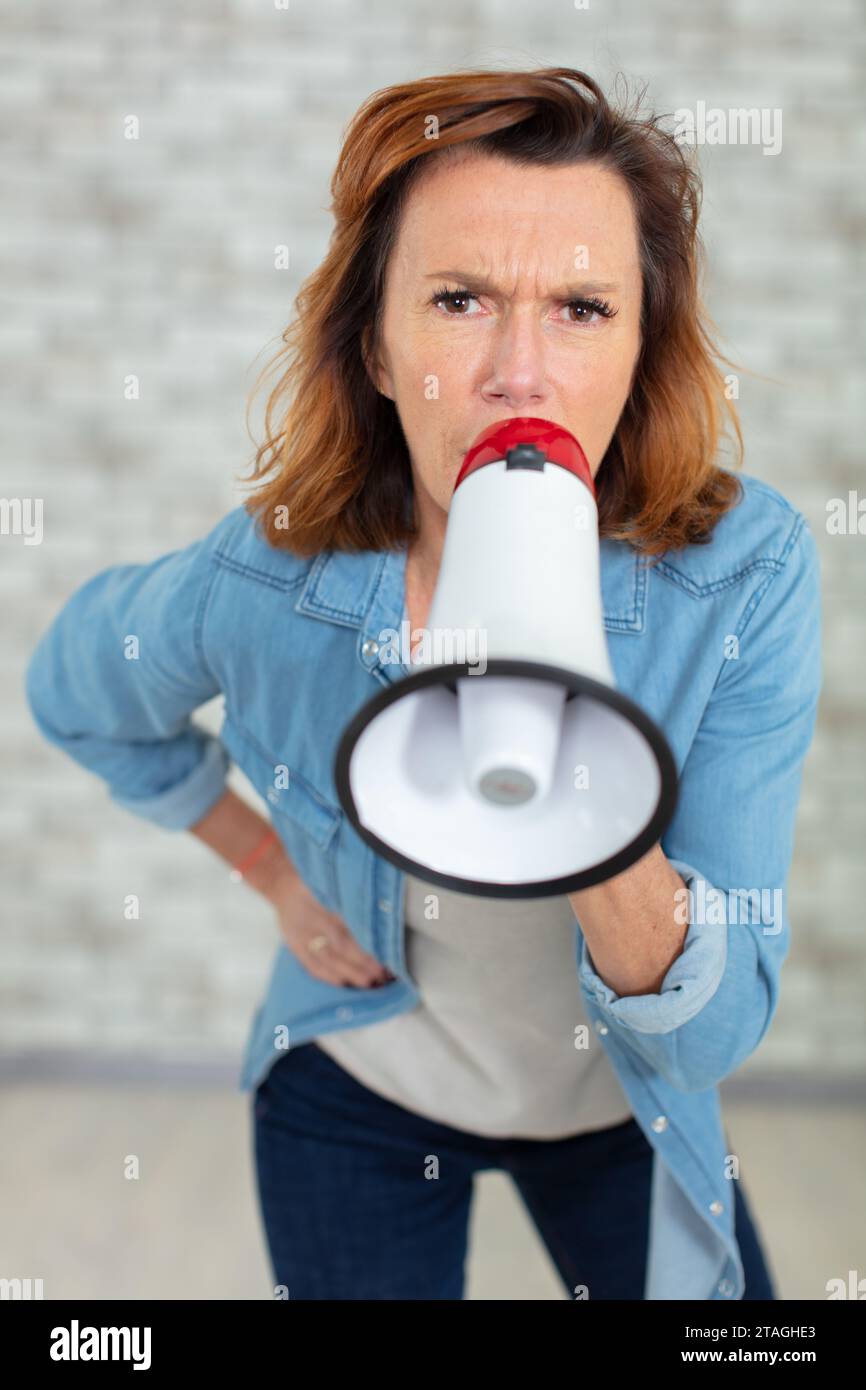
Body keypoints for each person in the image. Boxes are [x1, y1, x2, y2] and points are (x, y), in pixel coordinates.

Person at [25, 67, 822, 1300]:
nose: (520, 373)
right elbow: (75, 687)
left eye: (581, 308)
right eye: (458, 299)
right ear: (379, 351)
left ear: (637, 350)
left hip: (625, 1104)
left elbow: (712, 1031)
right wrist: (268, 867)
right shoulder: (268, 574)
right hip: (362, 1093)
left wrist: (577, 748)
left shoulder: (744, 571)